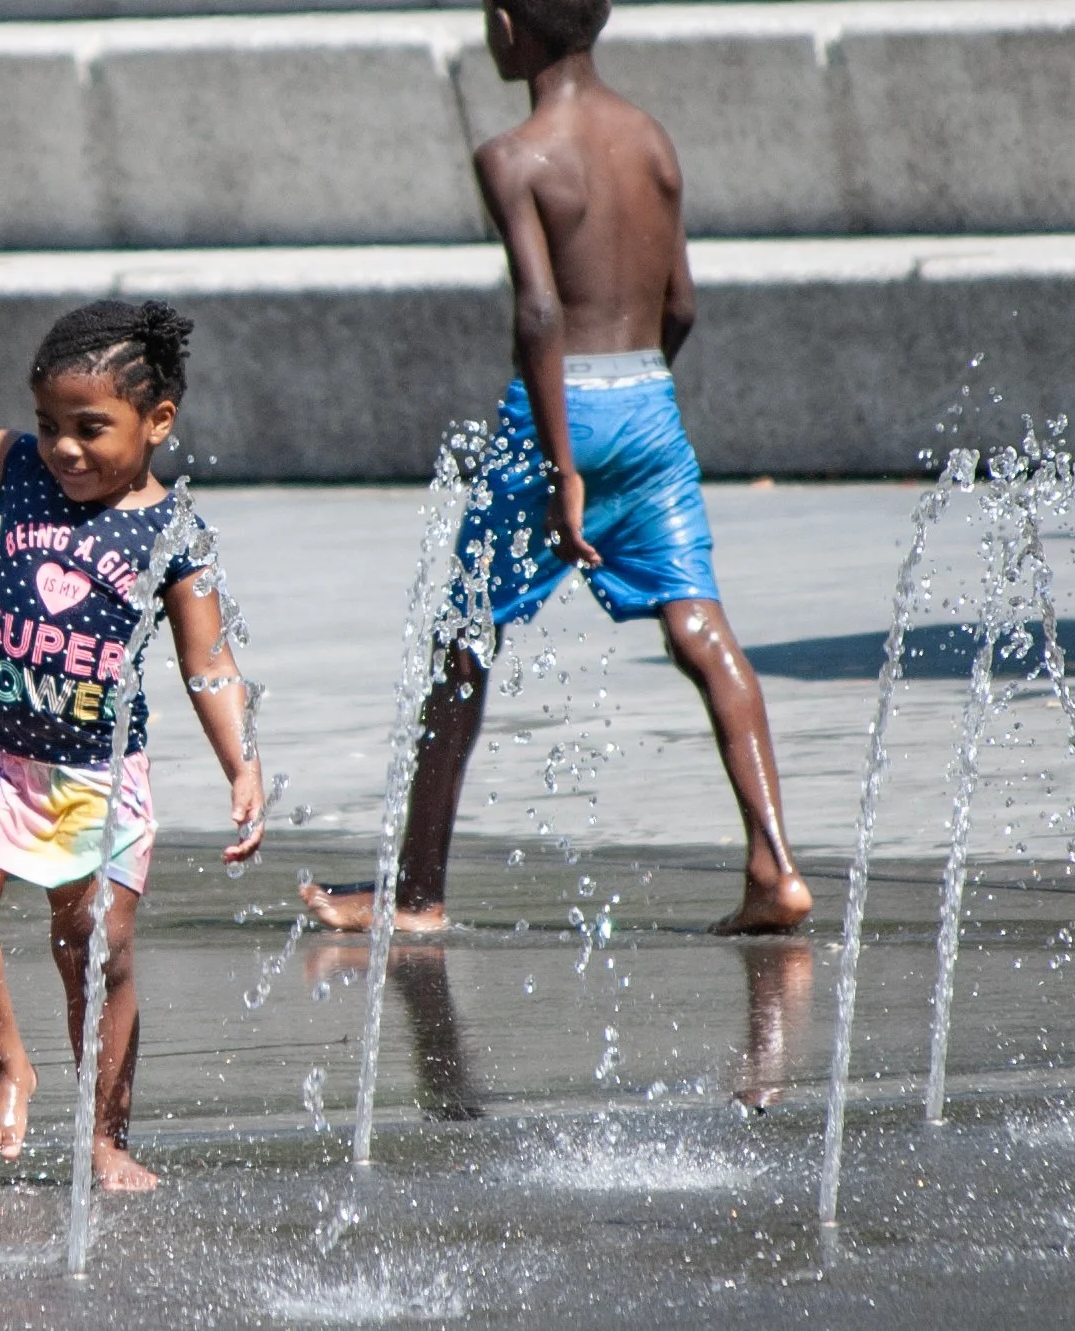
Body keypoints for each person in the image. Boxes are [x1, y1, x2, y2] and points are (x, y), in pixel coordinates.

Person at [300, 0, 811, 938]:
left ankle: (415, 896)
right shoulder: (651, 141)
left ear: (507, 24)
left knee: (462, 640)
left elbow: (537, 313)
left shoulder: (513, 155)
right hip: (648, 397)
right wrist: (631, 411)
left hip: (554, 416)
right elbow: (682, 303)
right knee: (698, 622)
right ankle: (773, 866)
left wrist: (566, 460)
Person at [0, 268, 264, 1191]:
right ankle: (8, 1065)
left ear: (157, 422)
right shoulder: (19, 471)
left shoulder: (174, 532)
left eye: (90, 428)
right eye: (50, 424)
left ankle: (105, 1135)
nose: (63, 448)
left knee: (96, 944)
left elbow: (207, 661)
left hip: (95, 773)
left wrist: (240, 764)